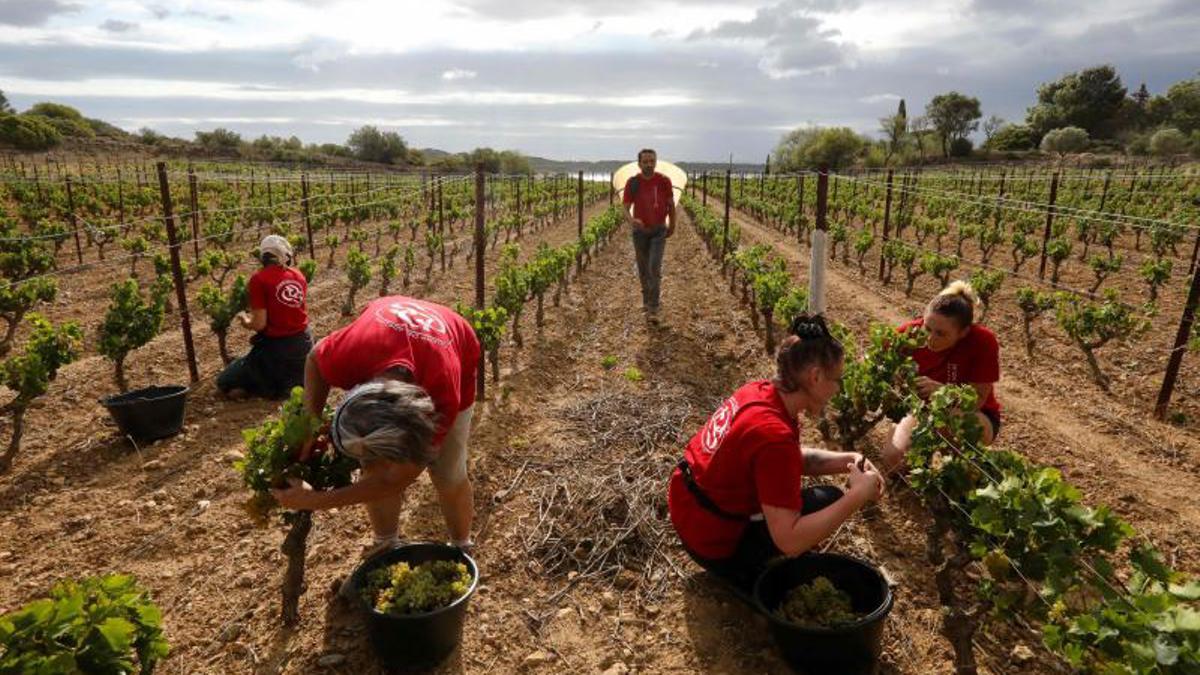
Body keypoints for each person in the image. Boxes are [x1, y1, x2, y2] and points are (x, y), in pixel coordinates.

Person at [667, 314, 885, 596]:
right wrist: (857, 496)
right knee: (828, 500)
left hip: (690, 516)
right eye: (837, 380)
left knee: (818, 501)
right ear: (816, 376)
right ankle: (744, 572)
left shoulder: (759, 393)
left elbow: (788, 460)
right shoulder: (774, 436)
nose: (838, 389)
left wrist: (848, 459)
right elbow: (789, 541)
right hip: (714, 546)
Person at [271, 295, 481, 556]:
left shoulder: (442, 394)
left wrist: (314, 501)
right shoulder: (351, 354)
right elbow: (314, 359)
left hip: (457, 341)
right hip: (388, 328)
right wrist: (310, 424)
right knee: (374, 466)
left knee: (449, 473)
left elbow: (394, 480)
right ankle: (385, 544)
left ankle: (461, 547)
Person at [880, 281, 1002, 473]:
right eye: (927, 328)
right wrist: (895, 379)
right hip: (920, 410)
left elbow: (977, 399)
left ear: (963, 333)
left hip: (973, 415)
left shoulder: (982, 342)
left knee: (952, 458)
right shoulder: (910, 333)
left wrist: (943, 392)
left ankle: (953, 463)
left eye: (941, 334)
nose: (930, 338)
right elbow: (877, 361)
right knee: (894, 459)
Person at [216, 235, 312, 400]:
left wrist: (245, 320)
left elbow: (259, 324)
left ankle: (258, 387)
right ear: (286, 255)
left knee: (224, 380)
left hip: (276, 350)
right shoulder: (298, 275)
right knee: (291, 381)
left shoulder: (259, 279)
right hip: (304, 345)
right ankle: (288, 386)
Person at [618, 148, 676, 320]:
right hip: (640, 232)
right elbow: (625, 208)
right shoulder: (633, 182)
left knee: (654, 267)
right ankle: (646, 301)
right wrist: (632, 221)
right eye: (645, 162)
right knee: (643, 269)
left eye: (652, 161)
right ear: (639, 164)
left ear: (655, 162)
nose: (649, 164)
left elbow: (671, 205)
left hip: (658, 230)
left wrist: (672, 225)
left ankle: (654, 307)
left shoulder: (664, 181)